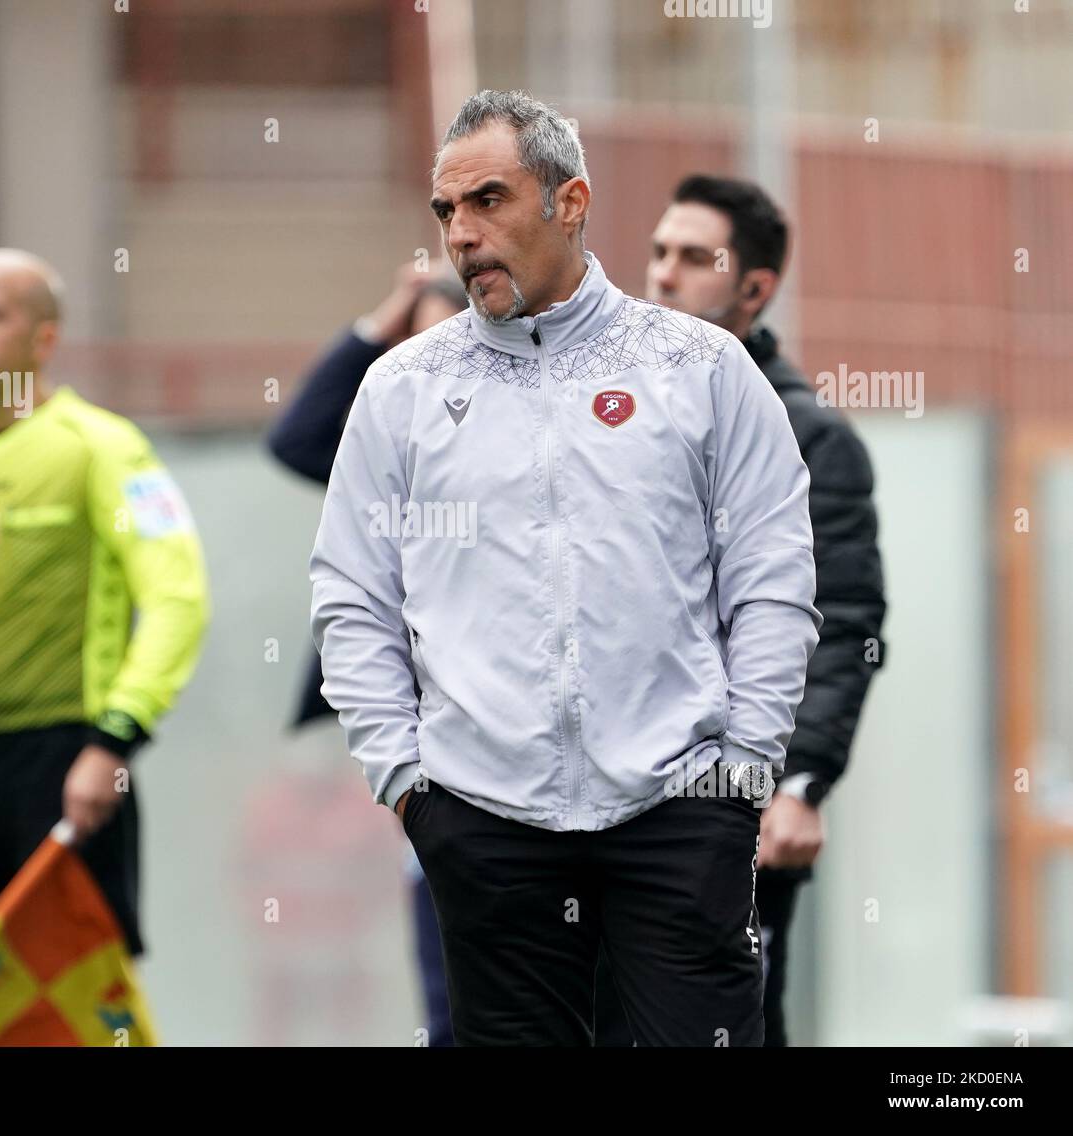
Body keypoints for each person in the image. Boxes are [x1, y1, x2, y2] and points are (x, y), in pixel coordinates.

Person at [310, 90, 821, 1046]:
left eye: (489, 201)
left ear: (570, 200)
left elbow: (774, 575)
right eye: (446, 212)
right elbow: (351, 593)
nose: (462, 235)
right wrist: (409, 784)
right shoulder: (403, 391)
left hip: (680, 811)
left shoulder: (700, 369)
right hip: (483, 825)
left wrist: (745, 767)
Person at [594, 174, 884, 1047]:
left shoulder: (809, 435)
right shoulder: (611, 411)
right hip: (607, 797)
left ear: (755, 289)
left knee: (729, 1021)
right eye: (656, 252)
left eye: (693, 257)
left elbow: (843, 621)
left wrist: (798, 784)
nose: (663, 275)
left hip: (730, 803)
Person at [0, 248, 209, 963]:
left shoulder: (103, 448)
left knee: (78, 1005)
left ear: (43, 339)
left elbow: (178, 599)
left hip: (62, 760)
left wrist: (111, 743)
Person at [268, 262, 467, 1046]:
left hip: (502, 744)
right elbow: (295, 439)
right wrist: (382, 324)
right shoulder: (384, 462)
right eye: (407, 356)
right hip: (416, 751)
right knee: (442, 975)